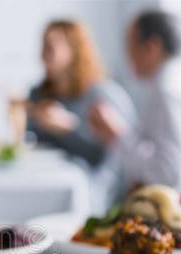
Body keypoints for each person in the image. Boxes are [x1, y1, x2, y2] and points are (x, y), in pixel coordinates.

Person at [89, 10, 181, 212]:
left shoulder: (167, 90)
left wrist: (116, 136)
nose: (127, 56)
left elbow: (170, 174)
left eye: (130, 45)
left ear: (152, 46)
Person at [27, 20, 135, 210]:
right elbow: (32, 144)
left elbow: (115, 158)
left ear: (75, 49)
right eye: (42, 47)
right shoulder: (38, 94)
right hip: (47, 182)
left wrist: (69, 130)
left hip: (94, 190)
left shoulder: (103, 95)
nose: (42, 55)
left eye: (50, 47)